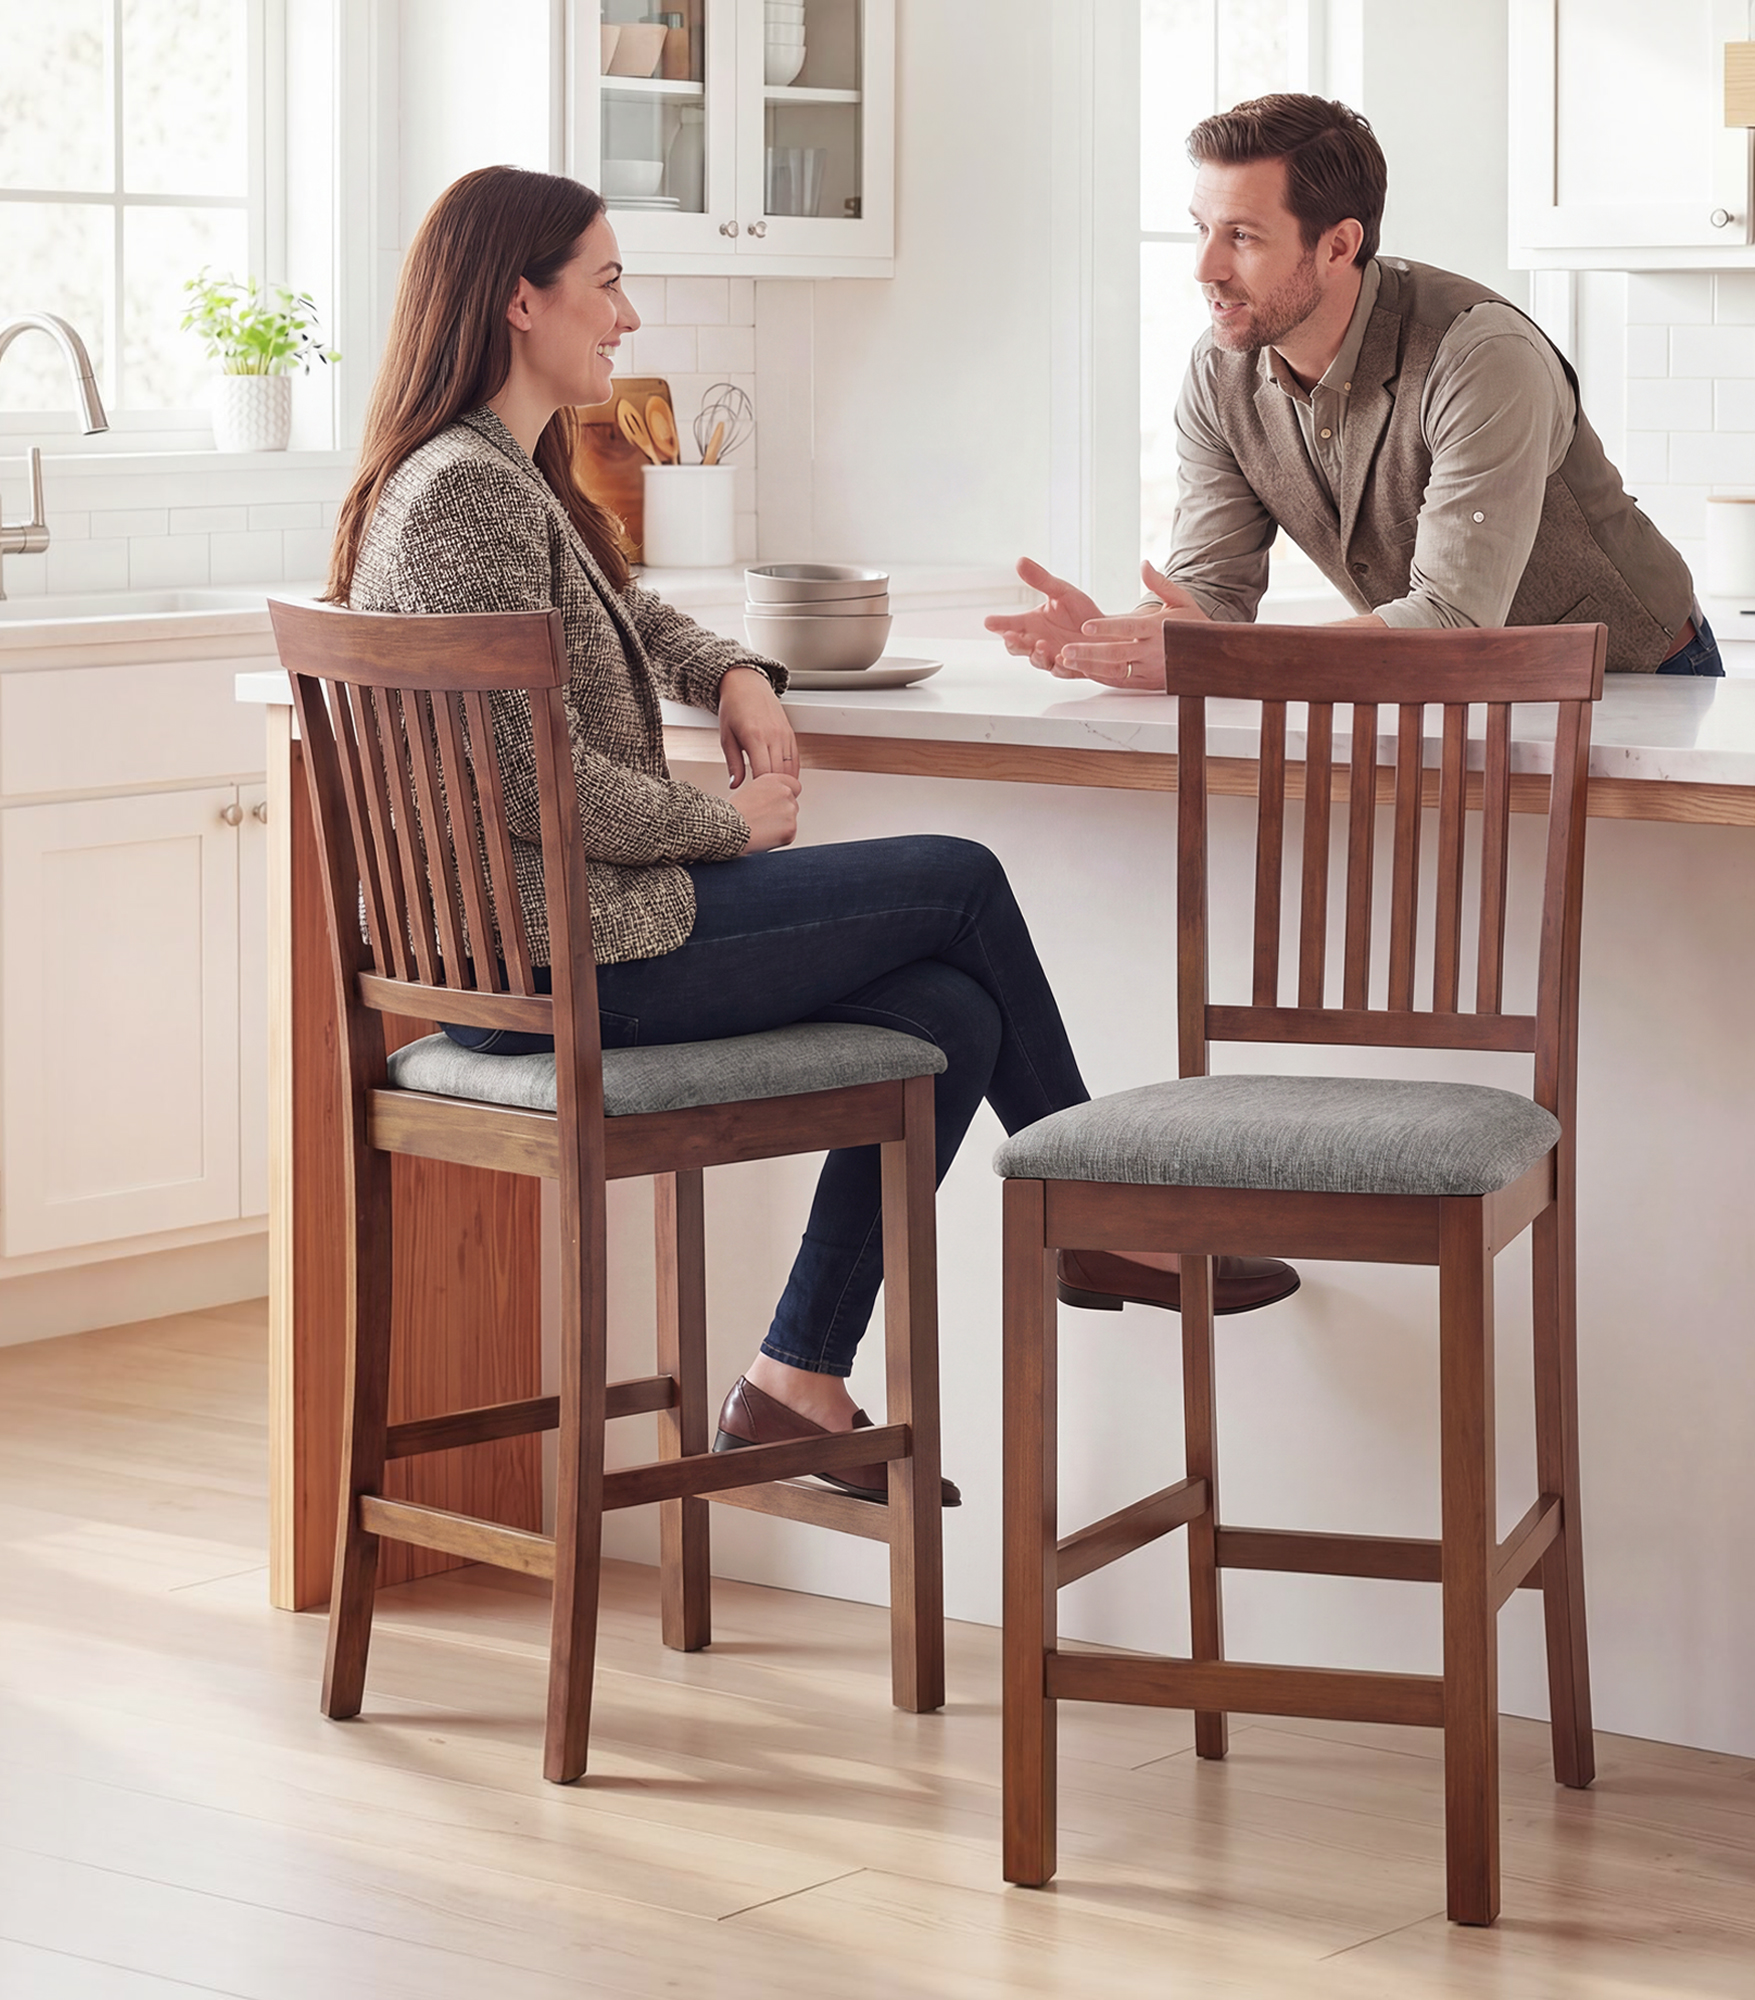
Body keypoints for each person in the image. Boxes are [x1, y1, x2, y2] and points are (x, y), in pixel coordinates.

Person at [325, 166, 1300, 1503]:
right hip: (556, 965)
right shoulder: (466, 495)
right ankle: (1103, 1217)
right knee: (956, 880)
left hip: (554, 951)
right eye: (607, 282)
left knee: (951, 1012)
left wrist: (736, 676)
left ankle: (793, 1378)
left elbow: (634, 623)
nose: (628, 315)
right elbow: (522, 781)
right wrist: (722, 826)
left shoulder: (508, 475)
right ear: (517, 300)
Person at [990, 94, 1720, 687]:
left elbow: (1452, 620)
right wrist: (1119, 637)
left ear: (1338, 245)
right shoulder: (1219, 373)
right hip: (1446, 683)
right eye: (1200, 229)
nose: (1204, 267)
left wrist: (1214, 657)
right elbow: (1212, 589)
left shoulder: (1480, 356)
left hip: (1641, 677)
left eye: (1241, 236)